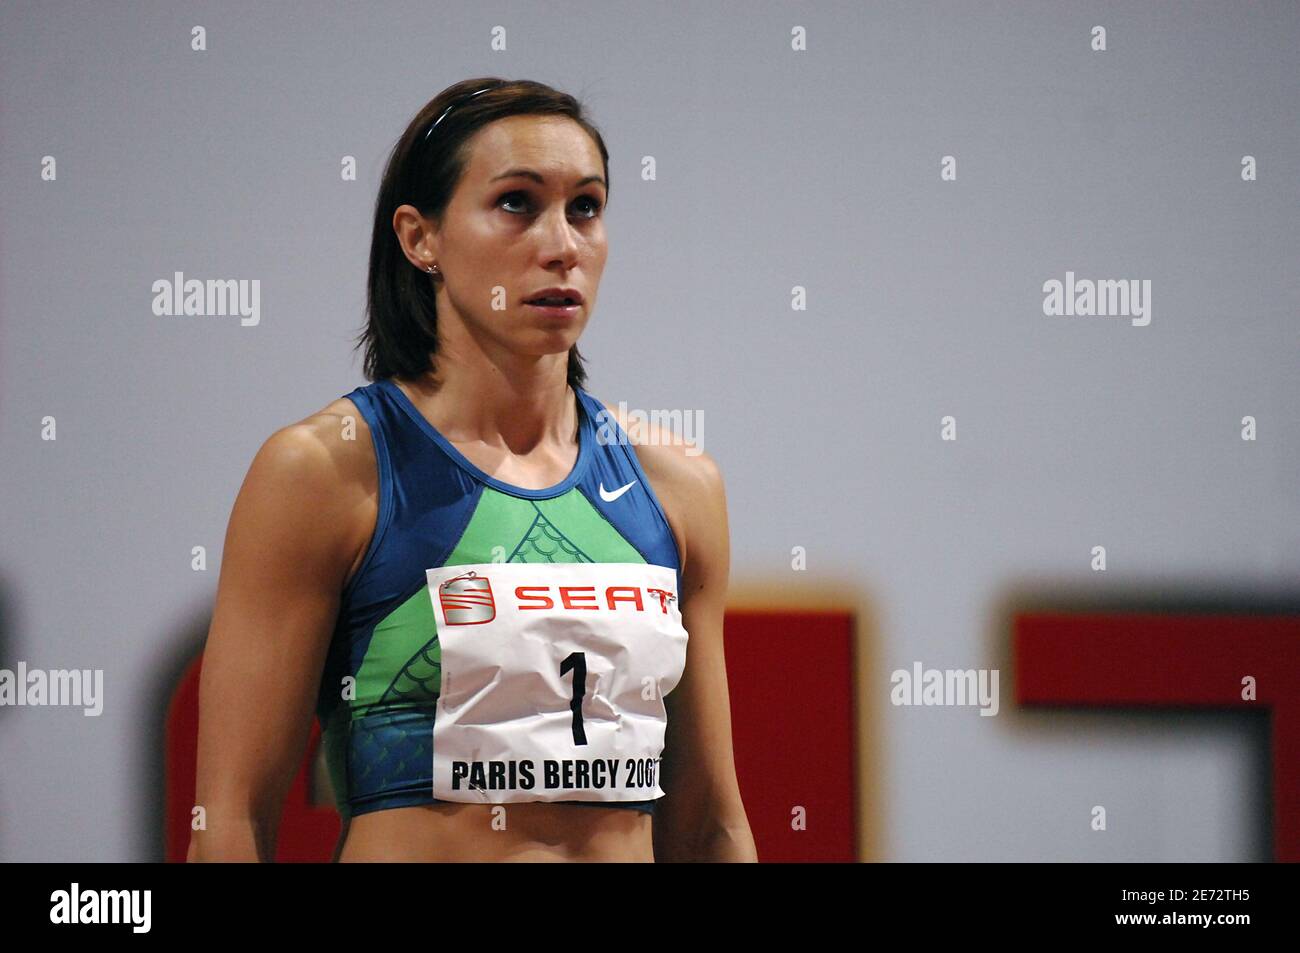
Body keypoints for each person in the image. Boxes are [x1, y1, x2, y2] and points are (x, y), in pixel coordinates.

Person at [187, 78, 756, 862]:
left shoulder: (678, 485)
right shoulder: (324, 471)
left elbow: (712, 823)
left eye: (585, 206)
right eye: (518, 202)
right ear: (420, 239)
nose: (562, 243)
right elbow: (232, 821)